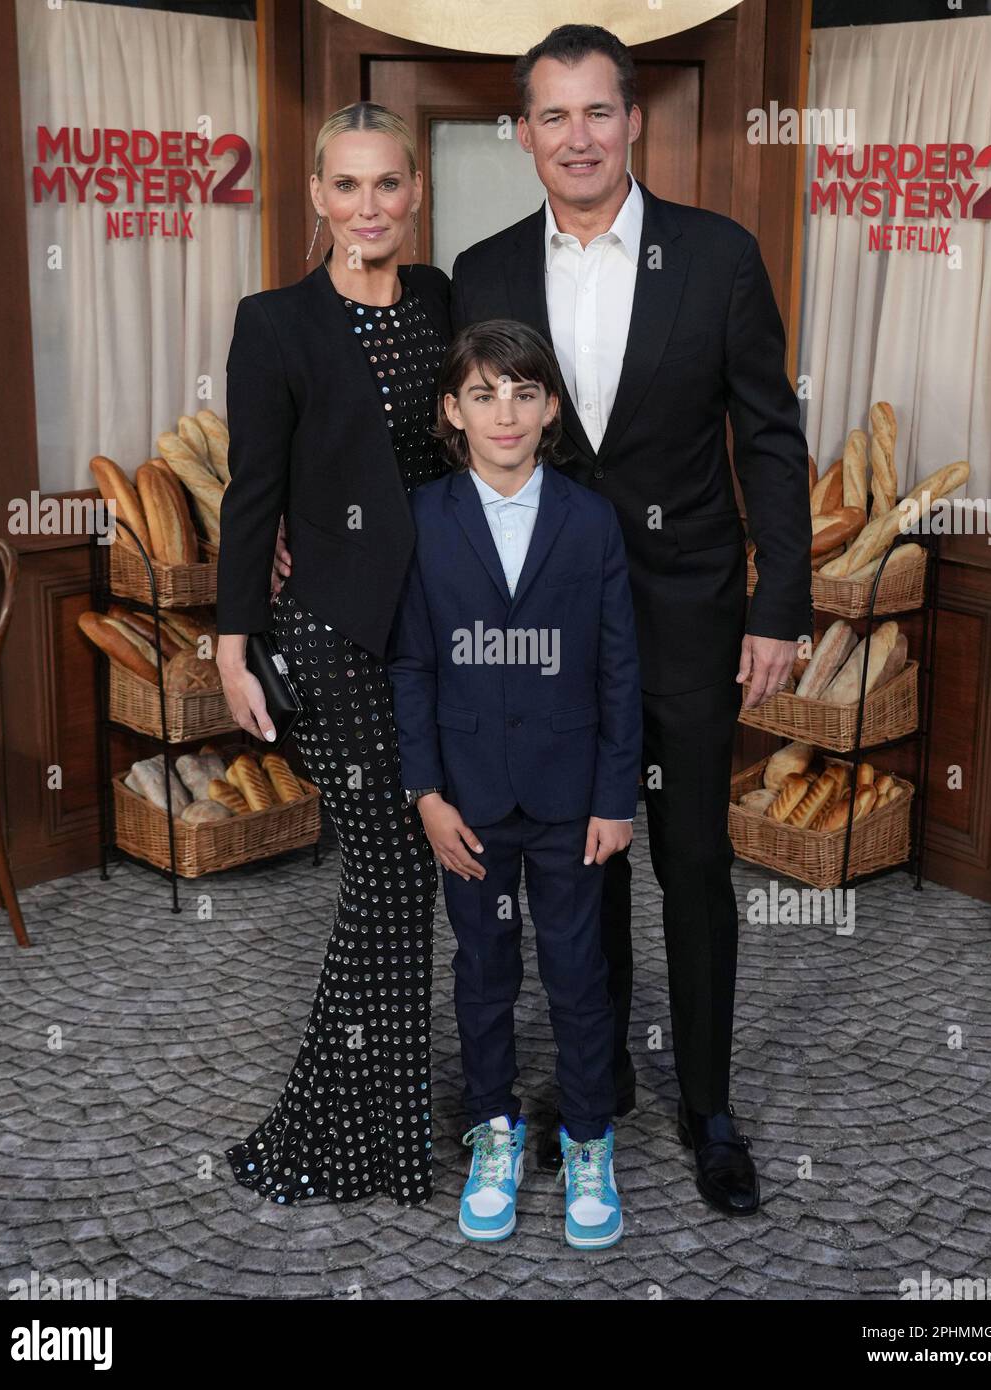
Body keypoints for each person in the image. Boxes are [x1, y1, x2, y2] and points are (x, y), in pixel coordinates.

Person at [450, 25, 814, 1214]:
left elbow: (766, 435)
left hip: (689, 617)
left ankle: (707, 1105)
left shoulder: (716, 257)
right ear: (523, 136)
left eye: (597, 112)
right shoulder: (484, 268)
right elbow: (448, 437)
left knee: (692, 862)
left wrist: (777, 604)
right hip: (546, 627)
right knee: (575, 866)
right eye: (551, 117)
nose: (577, 138)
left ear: (633, 122)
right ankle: (587, 1089)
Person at [215, 101, 453, 1206]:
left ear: (414, 193)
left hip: (436, 629)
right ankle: (347, 1126)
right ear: (314, 197)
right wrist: (231, 639)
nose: (369, 207)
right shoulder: (273, 323)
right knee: (394, 872)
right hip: (333, 634)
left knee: (410, 882)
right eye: (346, 186)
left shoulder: (441, 303)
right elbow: (251, 491)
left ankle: (386, 1121)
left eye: (388, 184)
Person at [387, 320, 642, 1248]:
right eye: (484, 395)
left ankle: (585, 1136)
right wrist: (426, 794)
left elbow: (618, 666)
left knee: (579, 974)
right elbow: (412, 665)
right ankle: (491, 1127)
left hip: (572, 799)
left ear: (552, 410)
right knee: (483, 973)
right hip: (467, 801)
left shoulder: (588, 519)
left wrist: (617, 796)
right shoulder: (424, 517)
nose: (506, 413)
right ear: (452, 411)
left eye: (524, 394)